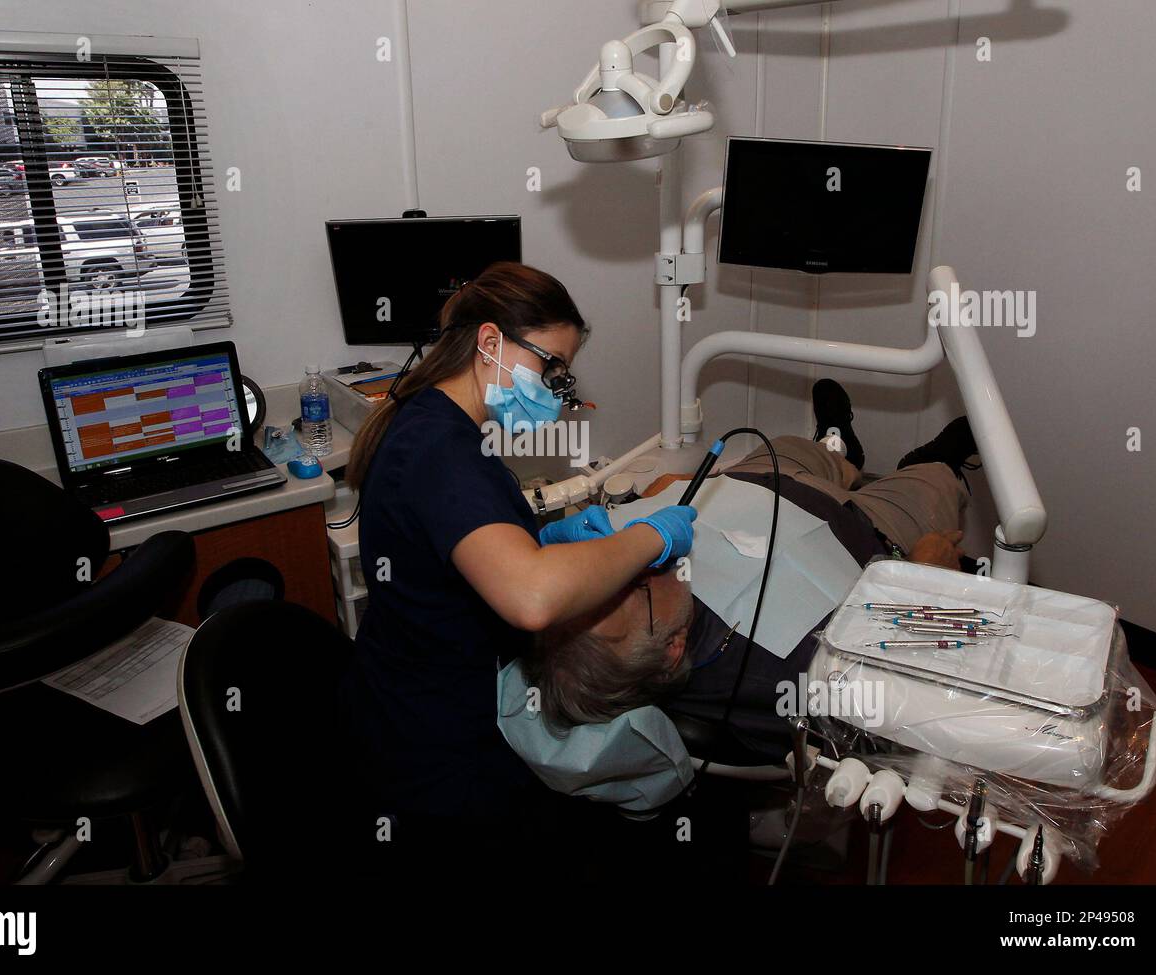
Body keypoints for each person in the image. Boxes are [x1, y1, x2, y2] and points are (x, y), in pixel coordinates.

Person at [338, 261, 697, 863]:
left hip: (412, 694)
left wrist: (547, 538)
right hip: (432, 742)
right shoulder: (441, 452)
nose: (557, 386)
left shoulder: (435, 422)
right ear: (488, 342)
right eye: (549, 364)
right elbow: (531, 600)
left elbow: (464, 545)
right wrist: (649, 540)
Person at [526, 388, 981, 758]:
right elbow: (905, 689)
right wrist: (923, 575)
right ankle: (935, 460)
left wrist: (658, 496)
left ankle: (841, 451)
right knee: (932, 483)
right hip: (870, 530)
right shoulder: (793, 671)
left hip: (759, 478)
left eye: (606, 566)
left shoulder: (656, 611)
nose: (634, 560)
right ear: (672, 649)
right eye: (637, 585)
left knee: (800, 449)